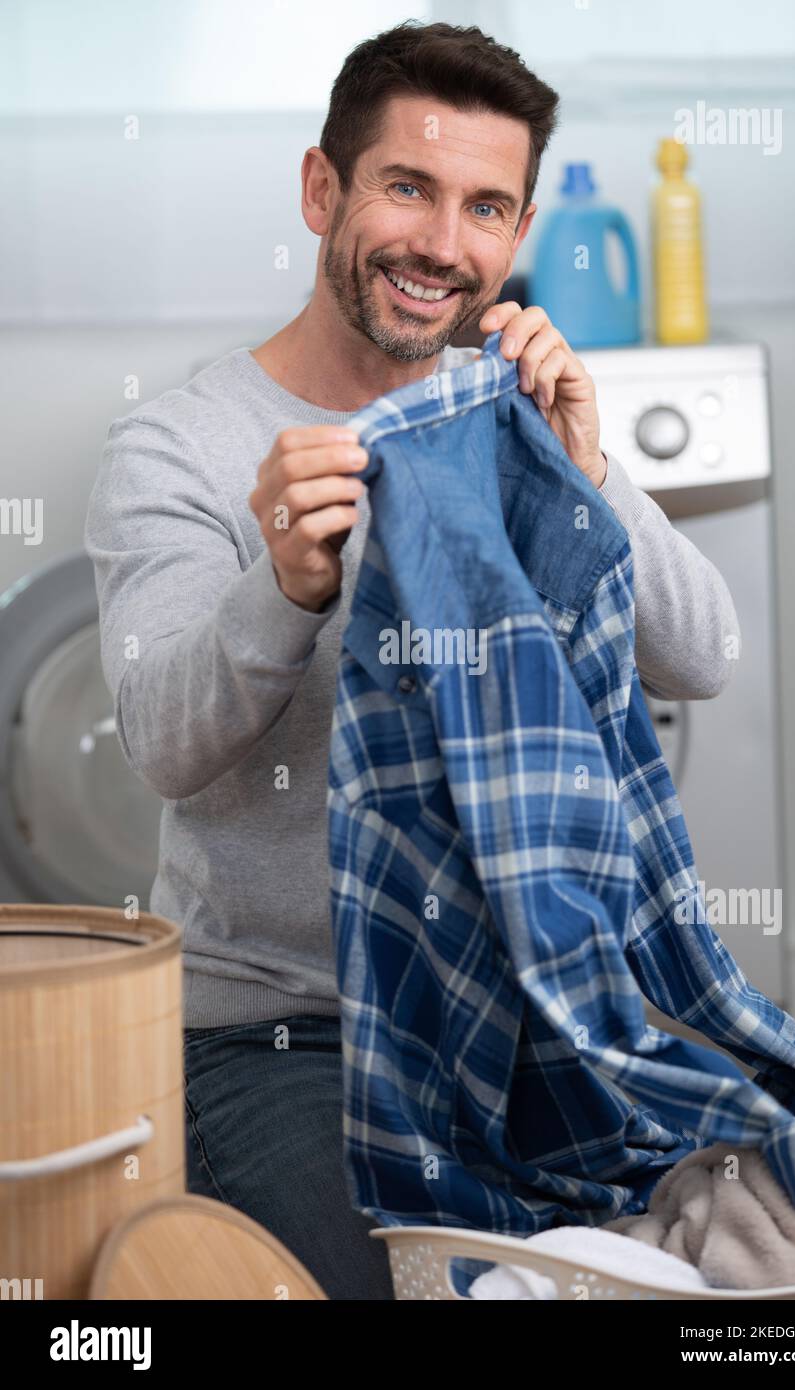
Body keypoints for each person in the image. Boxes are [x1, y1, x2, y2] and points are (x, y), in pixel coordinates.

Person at [85, 21, 740, 1301]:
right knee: (409, 1284)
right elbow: (161, 737)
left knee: (703, 1249)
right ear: (322, 189)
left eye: (484, 206)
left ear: (519, 230)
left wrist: (587, 474)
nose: (443, 243)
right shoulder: (178, 446)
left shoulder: (511, 422)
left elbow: (702, 652)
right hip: (276, 1037)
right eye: (406, 187)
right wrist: (278, 584)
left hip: (515, 1027)